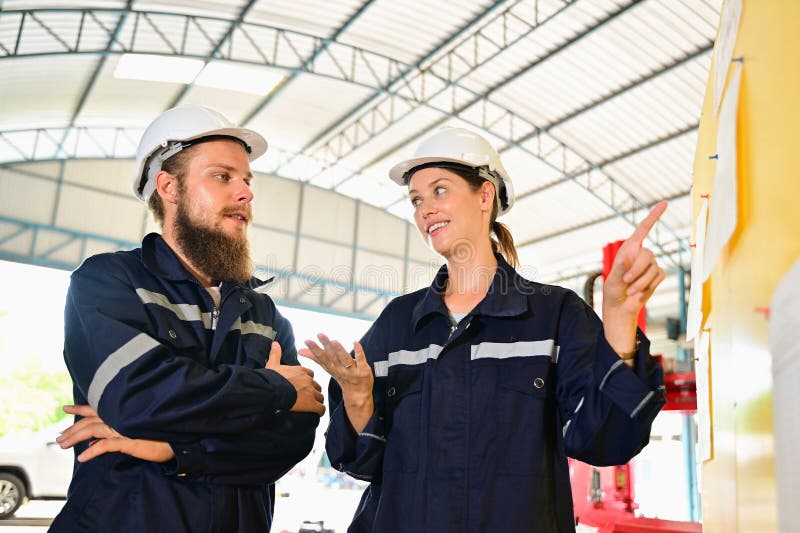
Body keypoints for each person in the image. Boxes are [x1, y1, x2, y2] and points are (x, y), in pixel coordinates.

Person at [301, 128, 667, 532]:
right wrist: (356, 398)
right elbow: (359, 463)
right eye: (417, 200)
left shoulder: (553, 316)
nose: (425, 210)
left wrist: (617, 316)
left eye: (440, 190)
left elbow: (606, 440)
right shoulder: (397, 324)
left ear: (485, 195)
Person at [50, 104, 324, 532]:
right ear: (169, 187)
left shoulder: (264, 316)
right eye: (223, 177)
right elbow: (136, 397)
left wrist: (174, 450)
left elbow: (288, 441)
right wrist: (274, 390)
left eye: (247, 180)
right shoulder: (108, 282)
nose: (246, 193)